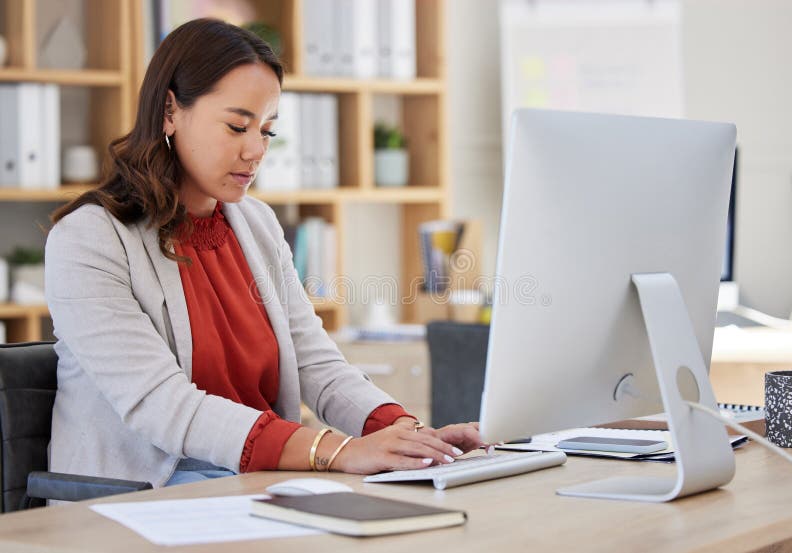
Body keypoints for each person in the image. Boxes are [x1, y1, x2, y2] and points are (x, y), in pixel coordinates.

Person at [45, 18, 482, 488]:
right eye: (237, 126)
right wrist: (336, 452)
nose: (256, 150)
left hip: (253, 480)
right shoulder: (89, 239)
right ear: (170, 110)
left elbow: (316, 362)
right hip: (137, 495)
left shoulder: (256, 224)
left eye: (267, 131)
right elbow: (162, 406)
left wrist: (407, 435)